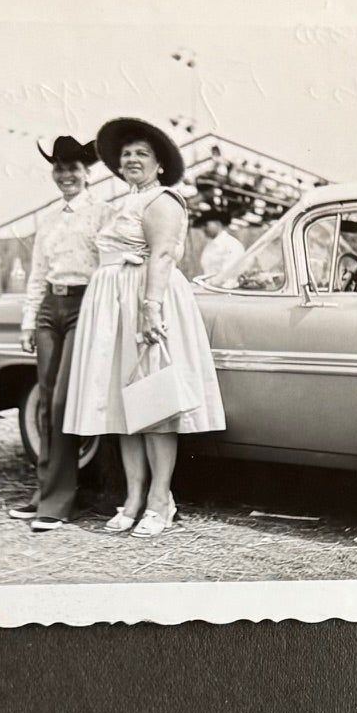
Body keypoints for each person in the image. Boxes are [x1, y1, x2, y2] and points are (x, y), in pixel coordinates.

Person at [59, 117, 225, 537]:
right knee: (123, 404)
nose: (131, 159)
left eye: (141, 154)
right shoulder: (123, 204)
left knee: (154, 403)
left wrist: (150, 307)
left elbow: (164, 255)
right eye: (126, 154)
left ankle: (159, 502)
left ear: (160, 164)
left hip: (146, 302)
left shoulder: (163, 200)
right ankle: (133, 498)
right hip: (113, 308)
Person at [14, 136, 102, 527]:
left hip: (85, 307)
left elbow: (110, 266)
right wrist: (28, 321)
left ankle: (58, 503)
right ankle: (43, 493)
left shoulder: (103, 214)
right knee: (47, 402)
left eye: (73, 168)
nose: (66, 175)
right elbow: (37, 274)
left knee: (65, 402)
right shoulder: (47, 219)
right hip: (51, 307)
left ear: (87, 173)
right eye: (60, 168)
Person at [197, 211, 242, 285]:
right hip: (210, 289)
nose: (203, 228)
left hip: (225, 291)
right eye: (202, 226)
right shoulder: (209, 245)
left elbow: (230, 275)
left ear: (218, 223)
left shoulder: (232, 244)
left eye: (206, 225)